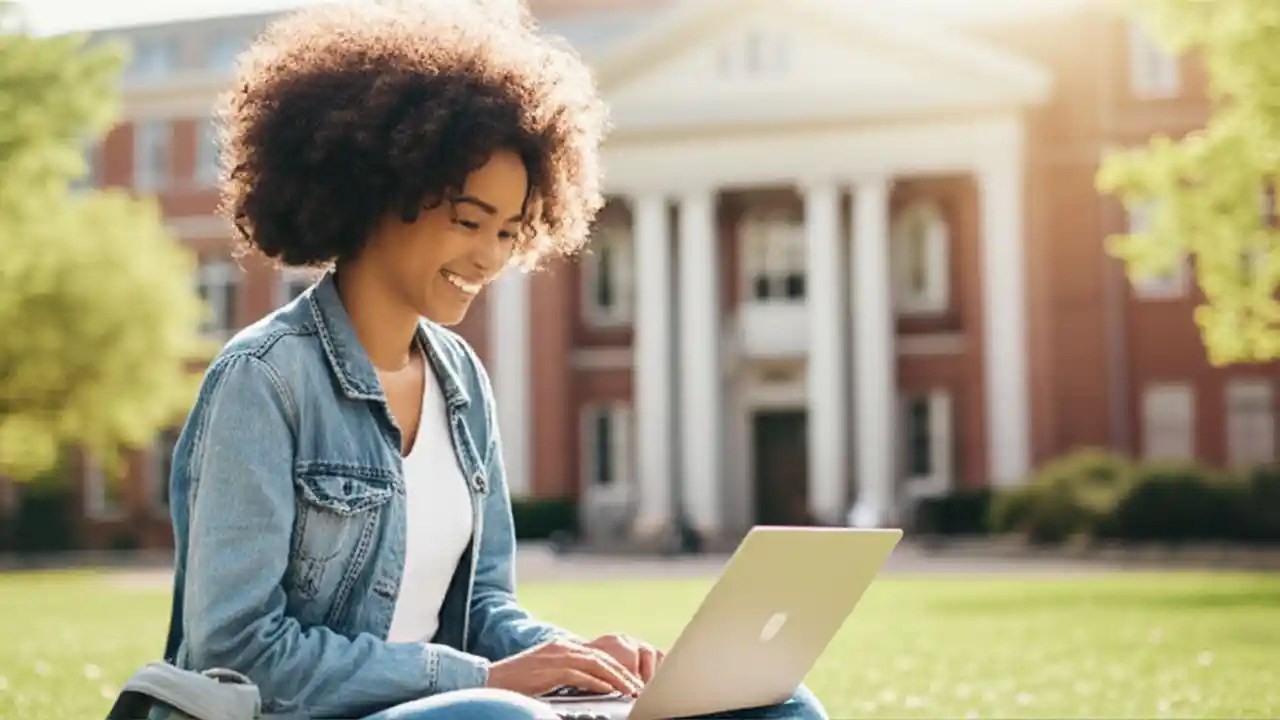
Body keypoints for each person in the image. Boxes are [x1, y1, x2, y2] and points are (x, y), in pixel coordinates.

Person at [159, 1, 827, 718]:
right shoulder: (263, 381)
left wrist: (578, 659)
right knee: (502, 716)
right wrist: (484, 681)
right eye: (468, 221)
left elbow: (483, 605)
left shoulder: (461, 382)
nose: (490, 257)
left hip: (467, 707)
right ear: (377, 192)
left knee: (778, 704)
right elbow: (236, 654)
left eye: (511, 231)